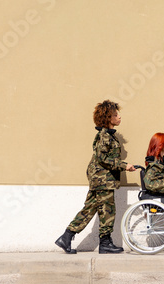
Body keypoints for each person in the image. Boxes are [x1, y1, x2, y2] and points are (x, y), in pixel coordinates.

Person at [55, 100, 136, 255]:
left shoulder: (108, 136)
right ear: (108, 118)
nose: (119, 117)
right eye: (115, 115)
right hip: (102, 179)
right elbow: (102, 158)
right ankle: (105, 244)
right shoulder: (104, 136)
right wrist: (124, 165)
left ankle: (66, 237)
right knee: (107, 210)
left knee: (90, 208)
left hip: (99, 178)